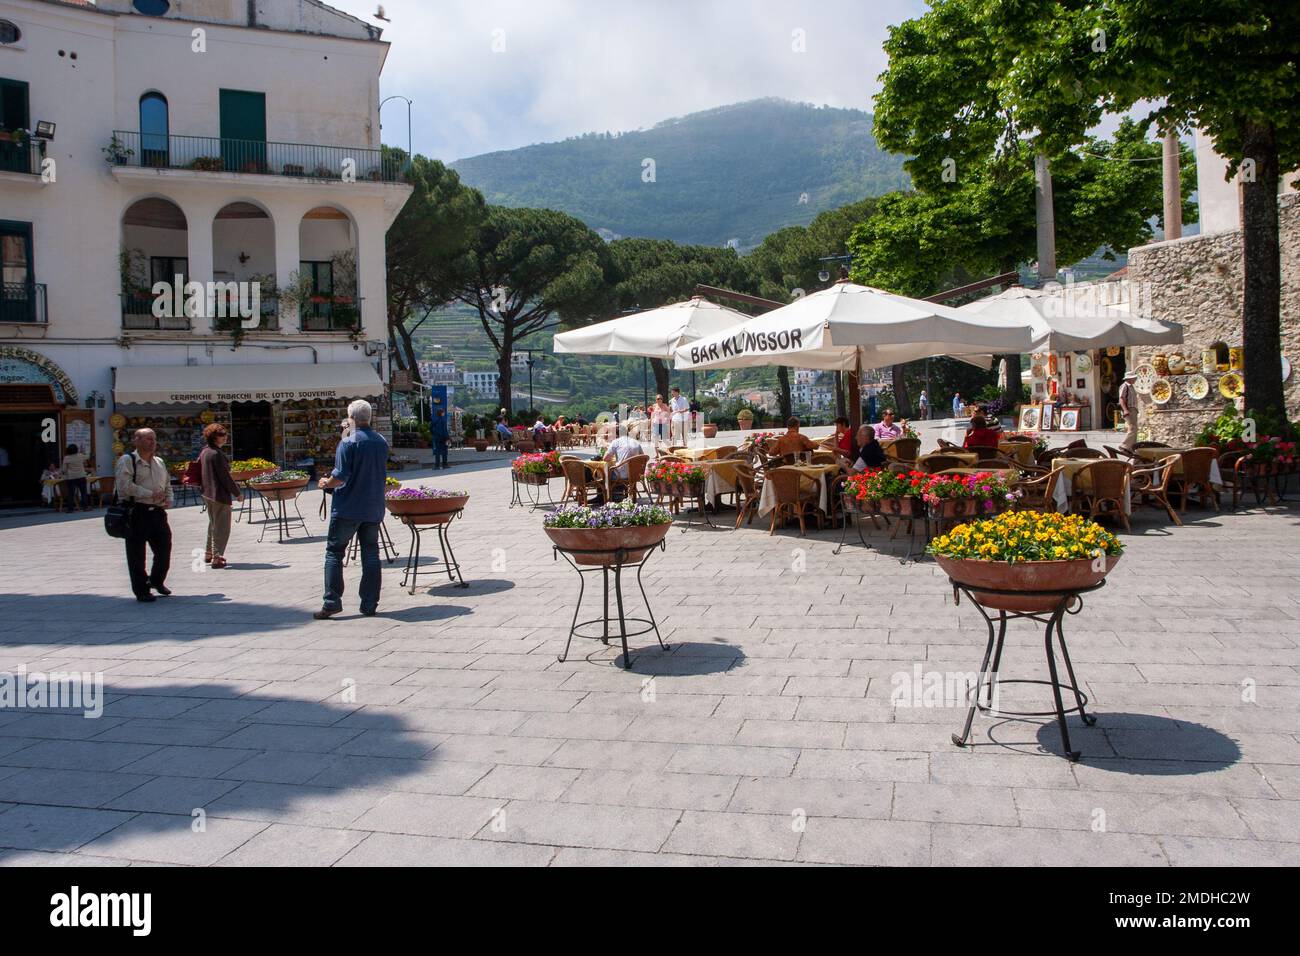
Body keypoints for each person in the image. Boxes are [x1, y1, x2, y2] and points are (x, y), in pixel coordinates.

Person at [316, 399, 388, 620]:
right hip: (373, 506)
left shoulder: (348, 443)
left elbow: (340, 477)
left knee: (335, 553)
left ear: (352, 418)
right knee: (371, 554)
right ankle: (369, 603)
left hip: (348, 507)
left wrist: (325, 483)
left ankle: (332, 602)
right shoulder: (381, 441)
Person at [115, 428, 173, 602]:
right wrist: (149, 493)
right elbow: (124, 486)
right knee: (136, 554)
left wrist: (168, 498)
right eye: (148, 439)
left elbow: (167, 483)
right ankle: (141, 590)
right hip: (136, 511)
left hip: (157, 511)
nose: (153, 442)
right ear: (136, 440)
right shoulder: (127, 460)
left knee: (164, 548)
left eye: (154, 439)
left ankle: (156, 580)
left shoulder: (159, 462)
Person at [198, 423, 243, 568]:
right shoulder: (216, 454)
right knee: (222, 527)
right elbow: (225, 477)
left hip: (207, 493)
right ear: (214, 437)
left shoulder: (205, 451)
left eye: (225, 434)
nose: (225, 437)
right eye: (222, 435)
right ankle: (217, 557)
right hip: (218, 494)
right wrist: (237, 492)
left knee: (213, 524)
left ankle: (209, 553)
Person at [602, 425, 643, 502]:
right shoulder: (636, 442)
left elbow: (605, 458)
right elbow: (642, 457)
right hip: (635, 474)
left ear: (617, 435)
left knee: (605, 473)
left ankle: (610, 496)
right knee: (621, 468)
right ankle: (623, 493)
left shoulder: (616, 442)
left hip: (621, 475)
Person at [61, 444, 90, 511]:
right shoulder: (80, 456)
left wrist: (64, 473)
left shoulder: (66, 458)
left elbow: (64, 470)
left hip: (71, 478)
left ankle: (70, 508)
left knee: (71, 493)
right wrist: (83, 451)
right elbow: (88, 456)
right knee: (83, 493)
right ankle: (85, 507)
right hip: (81, 476)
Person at [1119, 370, 1138, 451]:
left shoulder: (1131, 386)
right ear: (1130, 378)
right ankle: (1124, 445)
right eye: (1134, 378)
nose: (1135, 379)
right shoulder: (1124, 386)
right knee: (1132, 428)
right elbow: (1121, 399)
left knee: (1134, 428)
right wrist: (1125, 410)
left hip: (1133, 409)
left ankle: (1131, 447)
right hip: (1129, 409)